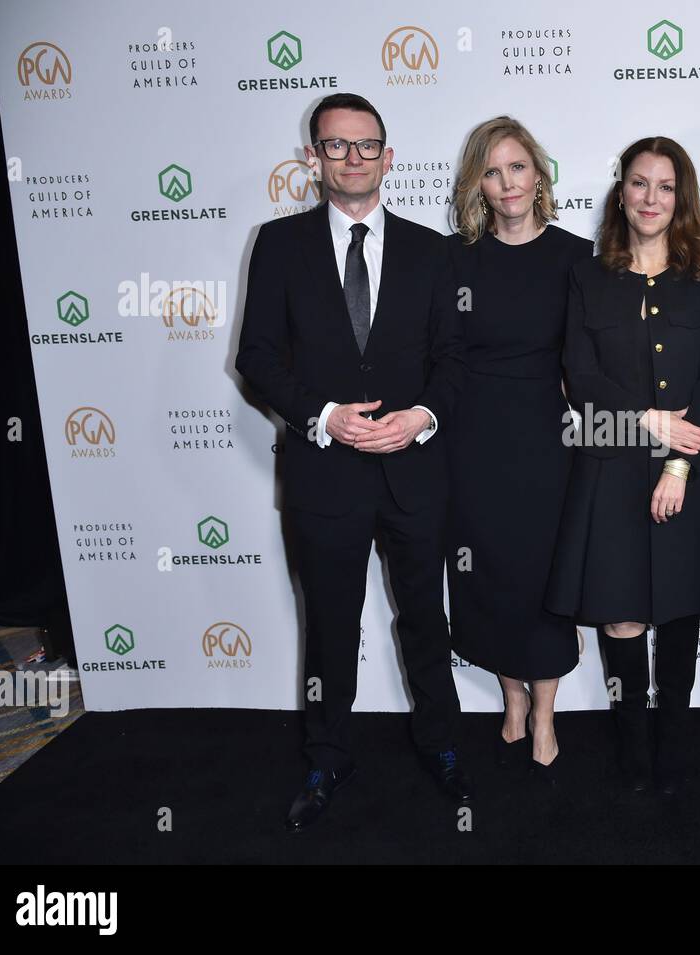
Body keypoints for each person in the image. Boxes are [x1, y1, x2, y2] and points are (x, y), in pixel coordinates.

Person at [235, 92, 471, 831]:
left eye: (366, 145)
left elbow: (453, 360)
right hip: (323, 478)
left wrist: (422, 417)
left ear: (389, 157)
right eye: (336, 146)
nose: (353, 158)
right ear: (313, 157)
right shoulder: (277, 244)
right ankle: (326, 754)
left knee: (426, 620)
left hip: (414, 475)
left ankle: (441, 745)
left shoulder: (434, 251)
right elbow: (257, 359)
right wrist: (326, 417)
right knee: (329, 626)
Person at [546, 136, 700, 796]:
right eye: (639, 184)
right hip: (610, 464)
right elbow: (578, 374)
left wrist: (677, 463)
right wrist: (648, 421)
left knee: (677, 607)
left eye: (665, 187)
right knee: (620, 614)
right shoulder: (587, 275)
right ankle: (632, 752)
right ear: (621, 192)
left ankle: (673, 743)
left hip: (689, 466)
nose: (650, 198)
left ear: (682, 198)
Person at [445, 117, 592, 784]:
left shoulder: (575, 257)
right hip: (472, 443)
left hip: (545, 442)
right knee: (489, 579)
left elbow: (592, 363)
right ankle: (510, 695)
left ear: (540, 175)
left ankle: (545, 714)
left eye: (518, 168)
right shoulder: (456, 259)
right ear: (480, 181)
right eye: (494, 171)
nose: (507, 183)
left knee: (541, 581)